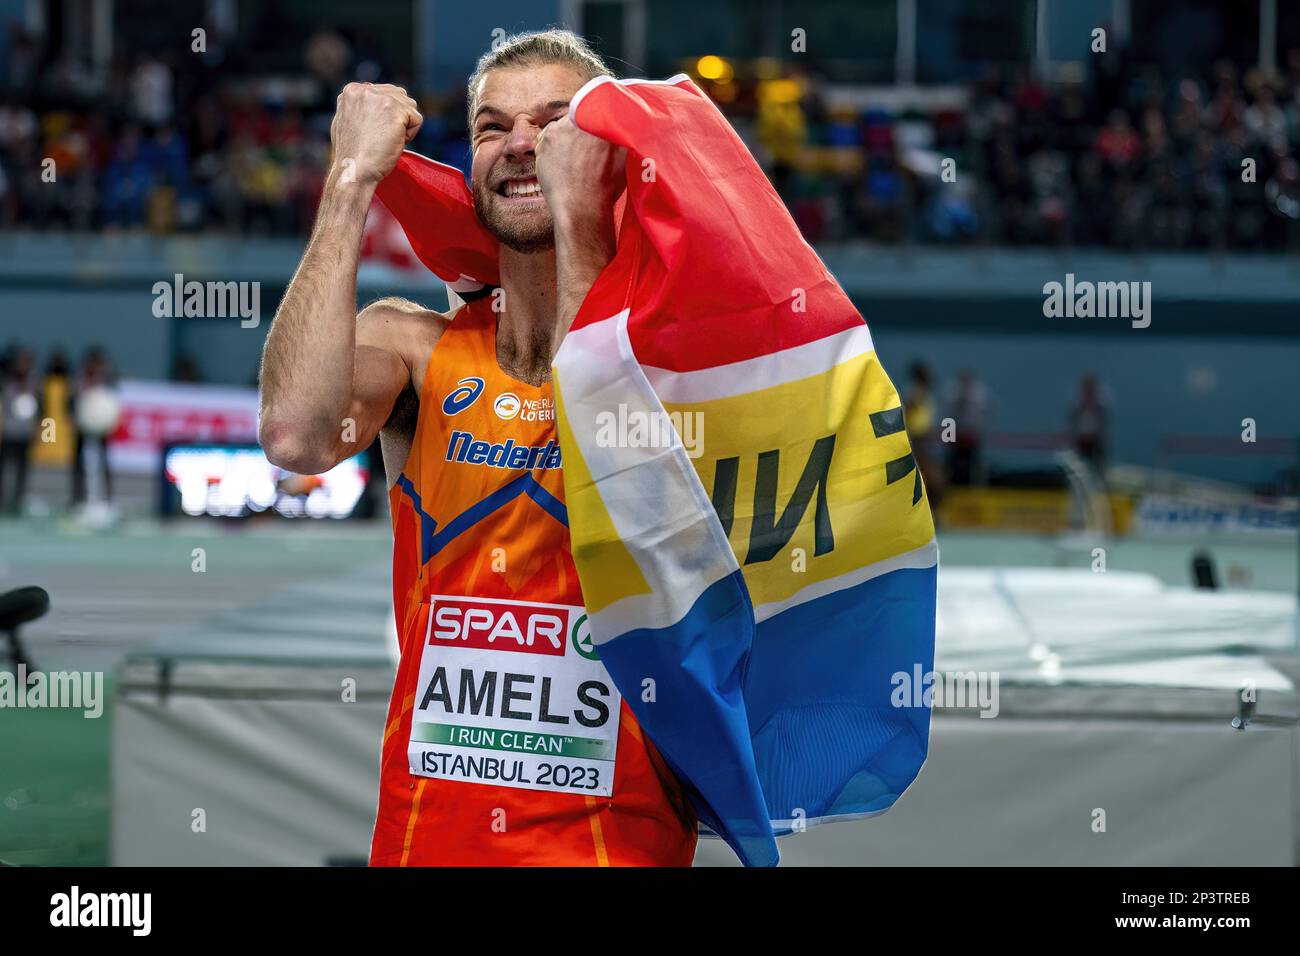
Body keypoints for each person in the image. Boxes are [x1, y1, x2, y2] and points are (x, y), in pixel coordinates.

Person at [258, 30, 696, 866]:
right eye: (492, 128)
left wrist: (578, 217)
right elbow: (296, 434)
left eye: (556, 123)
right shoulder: (416, 351)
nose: (520, 144)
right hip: (425, 842)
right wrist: (350, 183)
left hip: (615, 849)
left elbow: (597, 452)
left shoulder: (677, 359)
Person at [0, 347, 41, 513]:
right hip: (9, 433)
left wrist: (47, 436)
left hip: (26, 433)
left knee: (23, 469)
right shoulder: (7, 383)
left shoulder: (36, 384)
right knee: (4, 468)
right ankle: (2, 500)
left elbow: (44, 412)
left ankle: (18, 500)